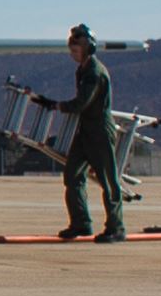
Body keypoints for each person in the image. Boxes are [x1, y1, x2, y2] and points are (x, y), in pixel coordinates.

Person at [53, 26, 128, 241]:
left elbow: (81, 103)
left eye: (76, 50)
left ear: (88, 49)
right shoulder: (83, 70)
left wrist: (58, 106)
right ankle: (81, 223)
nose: (72, 54)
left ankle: (116, 227)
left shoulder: (94, 72)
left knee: (108, 180)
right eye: (72, 50)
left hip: (100, 132)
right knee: (73, 176)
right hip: (85, 130)